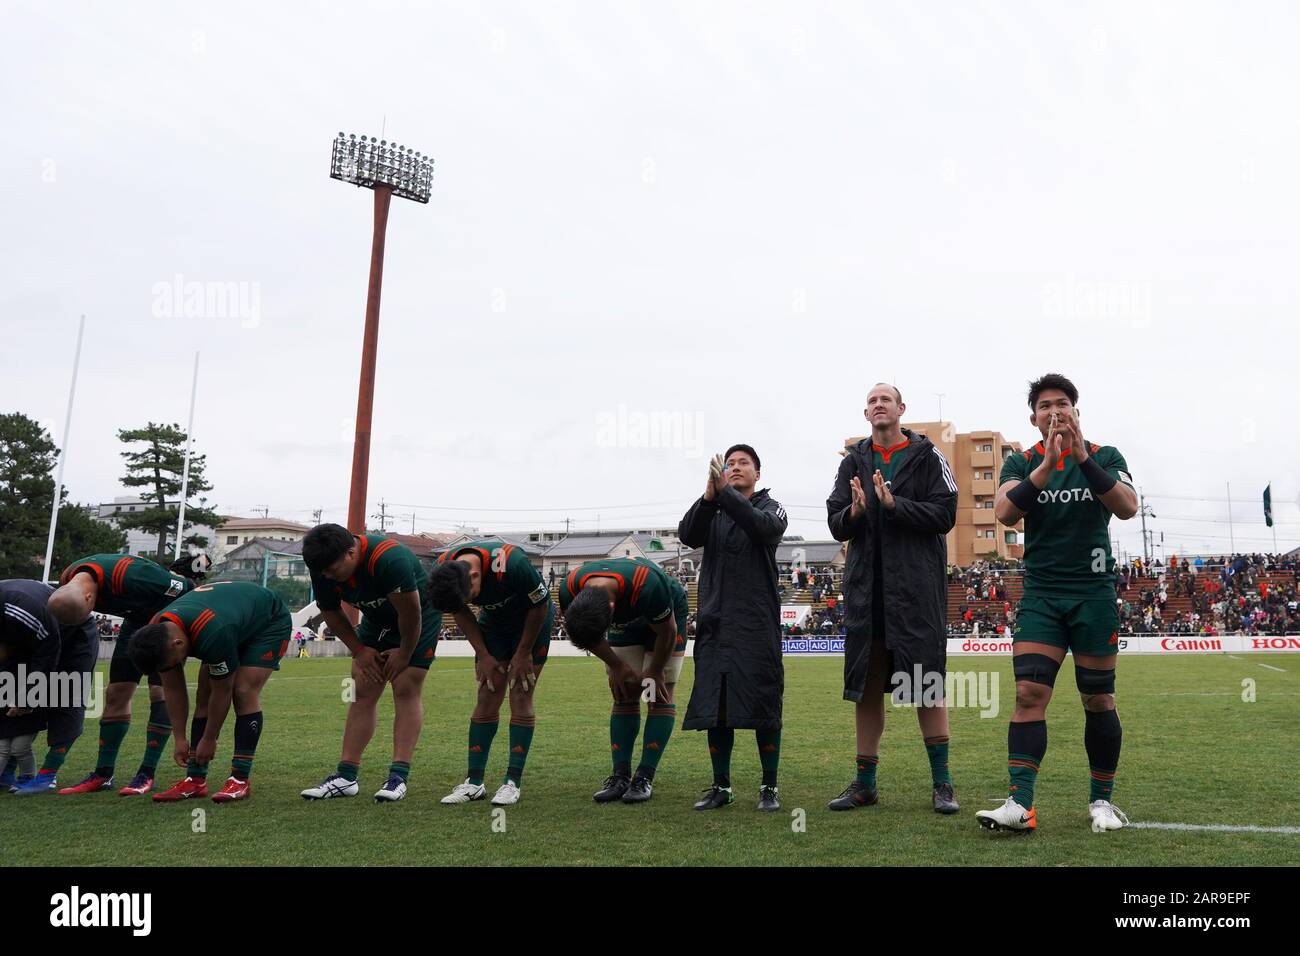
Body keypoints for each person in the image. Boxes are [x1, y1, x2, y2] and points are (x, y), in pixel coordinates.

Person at [977, 373, 1138, 834]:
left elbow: (1126, 506)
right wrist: (1046, 465)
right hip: (1042, 596)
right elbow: (1006, 513)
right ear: (1033, 418)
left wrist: (1081, 456)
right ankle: (1020, 805)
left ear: (1076, 411)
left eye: (1062, 403)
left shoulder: (1106, 455)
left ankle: (1102, 802)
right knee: (1029, 694)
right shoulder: (1021, 462)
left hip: (1093, 596)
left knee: (1098, 697)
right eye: (1045, 405)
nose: (1054, 411)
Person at [825, 383, 960, 814]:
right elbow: (835, 521)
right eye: (871, 400)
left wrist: (895, 504)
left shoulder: (928, 455)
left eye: (886, 399)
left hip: (916, 594)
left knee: (925, 688)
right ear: (866, 414)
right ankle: (865, 784)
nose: (878, 404)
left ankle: (942, 784)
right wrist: (857, 512)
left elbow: (946, 514)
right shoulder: (852, 461)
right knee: (867, 690)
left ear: (902, 409)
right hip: (867, 594)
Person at [678, 444, 787, 812]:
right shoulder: (716, 508)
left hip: (756, 625)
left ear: (758, 473)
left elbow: (765, 530)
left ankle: (768, 787)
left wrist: (726, 495)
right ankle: (720, 786)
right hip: (715, 623)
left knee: (764, 705)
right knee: (716, 706)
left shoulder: (771, 507)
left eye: (744, 463)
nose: (735, 467)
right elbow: (688, 534)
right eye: (730, 463)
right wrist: (709, 497)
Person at [297, 524, 441, 803]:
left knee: (405, 685)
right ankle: (346, 776)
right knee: (361, 686)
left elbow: (411, 613)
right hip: (377, 618)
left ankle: (398, 776)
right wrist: (359, 650)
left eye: (332, 570)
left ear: (351, 553)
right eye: (322, 572)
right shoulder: (322, 563)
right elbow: (330, 611)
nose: (327, 576)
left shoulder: (389, 558)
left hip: (418, 617)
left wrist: (405, 652)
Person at [45, 552, 206, 796]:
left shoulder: (136, 576)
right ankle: (103, 773)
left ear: (89, 597)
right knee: (116, 693)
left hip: (165, 626)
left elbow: (189, 588)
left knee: (159, 691)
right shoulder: (68, 578)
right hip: (135, 623)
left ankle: (146, 772)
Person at [127, 581, 289, 802]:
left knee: (242, 690)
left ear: (178, 644)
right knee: (202, 693)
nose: (170, 669)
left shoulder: (212, 633)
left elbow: (222, 691)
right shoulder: (157, 631)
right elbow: (173, 688)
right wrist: (180, 738)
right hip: (230, 620)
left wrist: (210, 738)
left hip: (266, 622)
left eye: (171, 663)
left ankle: (240, 779)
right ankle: (195, 780)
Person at [425, 540, 553, 806]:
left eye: (471, 597)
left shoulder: (512, 562)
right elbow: (459, 610)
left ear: (474, 576)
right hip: (494, 624)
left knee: (520, 693)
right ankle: (474, 782)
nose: (471, 602)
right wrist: (483, 654)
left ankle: (512, 782)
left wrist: (523, 652)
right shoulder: (445, 569)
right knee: (487, 694)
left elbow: (539, 605)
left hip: (532, 622)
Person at [559, 557, 687, 803]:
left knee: (655, 692)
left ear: (610, 606)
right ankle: (620, 776)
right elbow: (586, 634)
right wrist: (616, 665)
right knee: (624, 690)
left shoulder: (648, 585)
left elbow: (667, 631)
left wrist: (656, 669)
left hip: (664, 619)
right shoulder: (569, 589)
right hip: (625, 619)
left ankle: (644, 776)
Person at [2, 579, 98, 795]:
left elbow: (47, 654)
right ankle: (8, 770)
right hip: (32, 642)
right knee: (8, 693)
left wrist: (28, 698)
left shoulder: (20, 610)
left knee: (65, 697)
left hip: (72, 638)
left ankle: (48, 774)